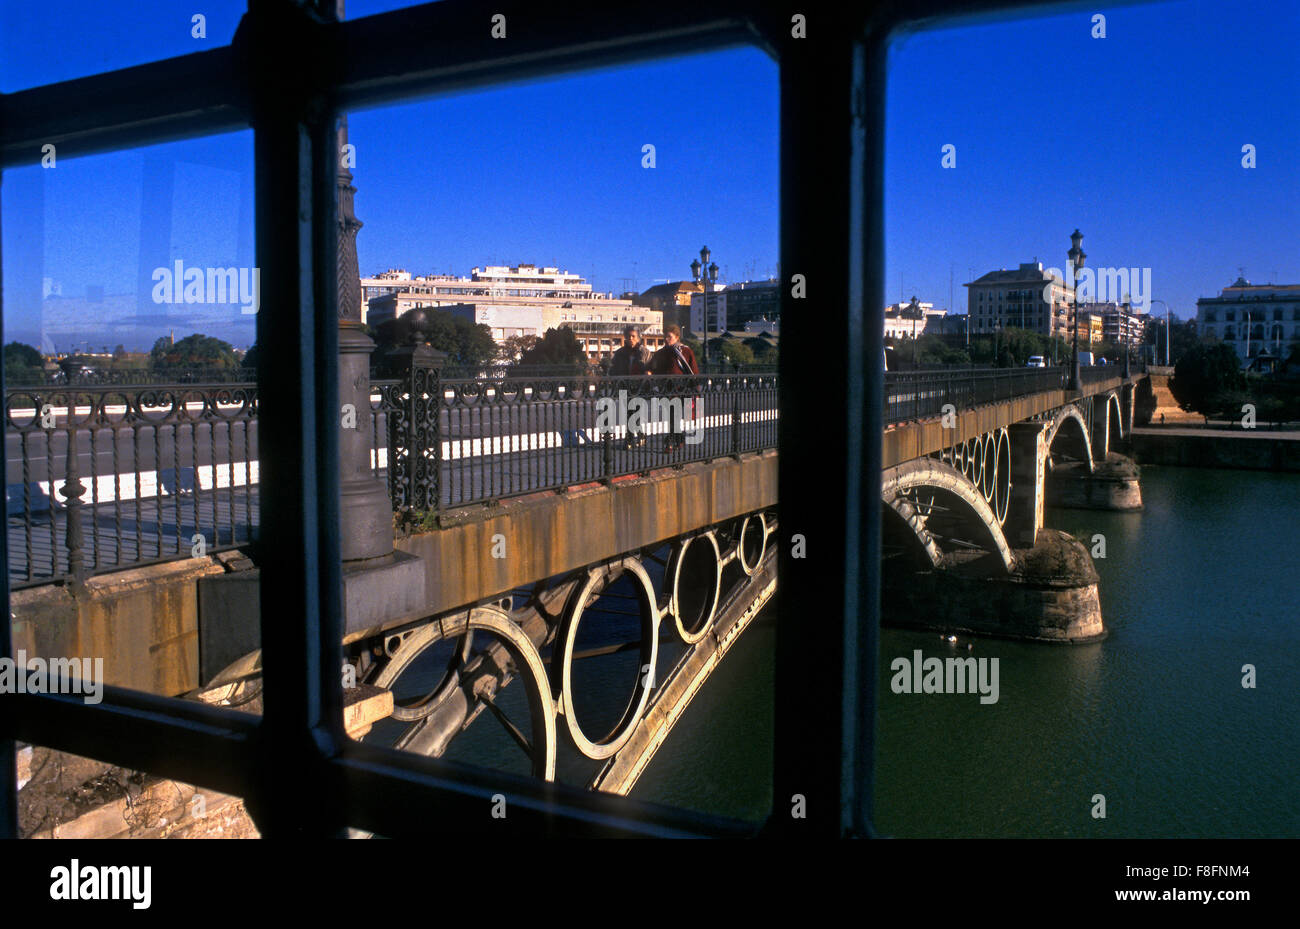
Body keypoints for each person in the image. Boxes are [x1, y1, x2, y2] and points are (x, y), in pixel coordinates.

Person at [649, 325, 699, 452]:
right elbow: (653, 367)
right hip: (666, 388)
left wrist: (695, 387)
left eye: (669, 337)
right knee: (671, 414)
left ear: (677, 337)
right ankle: (677, 438)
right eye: (665, 336)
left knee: (674, 414)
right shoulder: (661, 352)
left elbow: (693, 370)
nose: (666, 339)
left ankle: (671, 440)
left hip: (681, 387)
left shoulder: (685, 351)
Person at [608, 326, 652, 447]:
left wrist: (648, 373)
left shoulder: (645, 352)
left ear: (638, 338)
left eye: (633, 336)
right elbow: (614, 369)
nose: (630, 339)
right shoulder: (620, 353)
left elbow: (650, 368)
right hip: (624, 386)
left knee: (634, 413)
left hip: (639, 387)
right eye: (628, 336)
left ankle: (630, 438)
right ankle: (638, 436)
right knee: (628, 413)